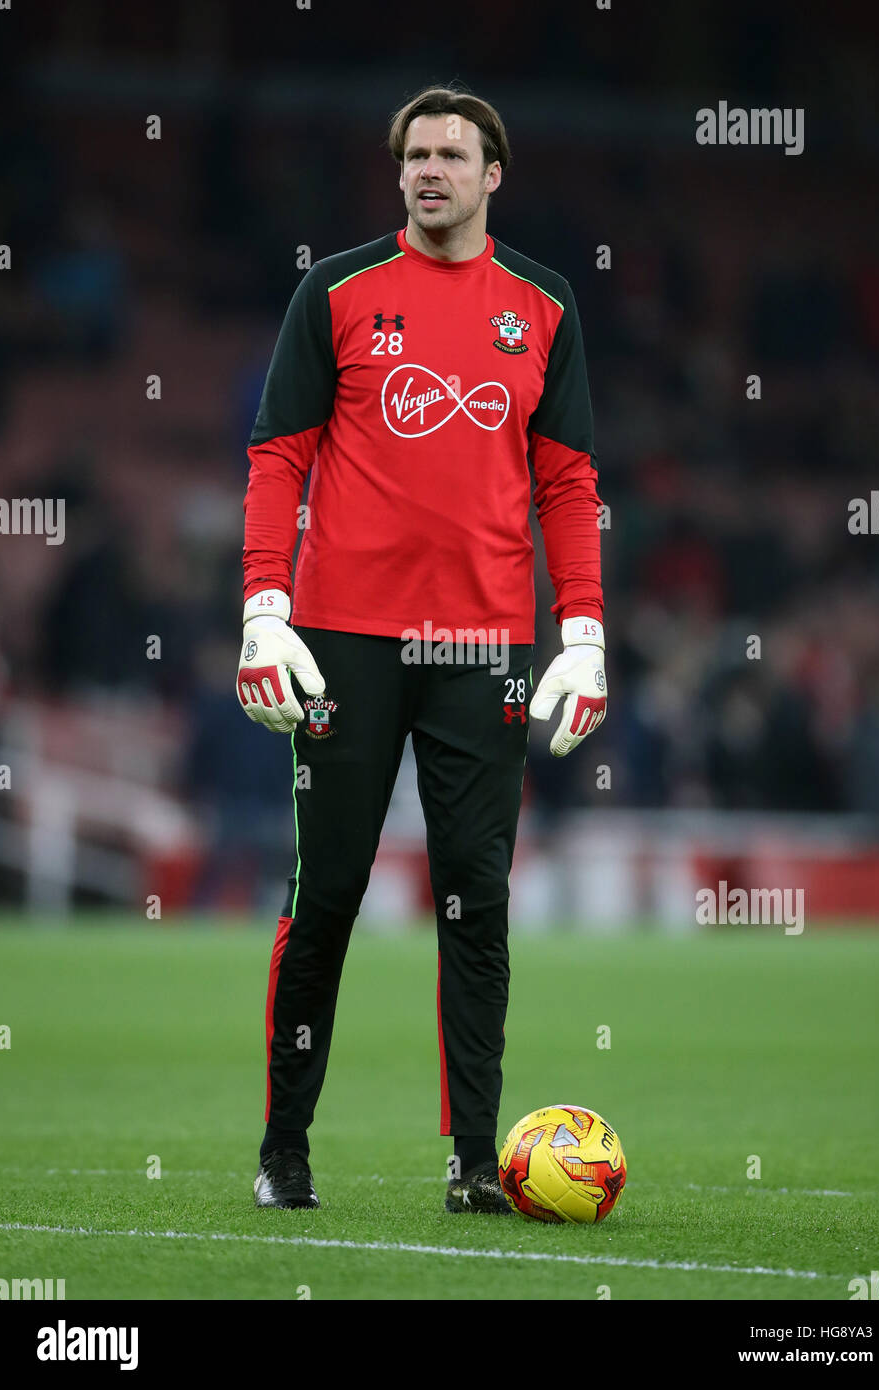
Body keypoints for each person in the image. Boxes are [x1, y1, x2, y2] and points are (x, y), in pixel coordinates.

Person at [236, 85, 607, 1213]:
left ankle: (476, 1161)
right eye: (415, 155)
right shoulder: (337, 290)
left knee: (475, 897)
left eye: (452, 153)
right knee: (331, 889)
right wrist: (263, 609)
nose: (429, 170)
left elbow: (568, 480)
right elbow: (278, 454)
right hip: (343, 636)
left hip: (484, 641)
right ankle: (284, 1149)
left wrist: (581, 630)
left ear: (495, 174)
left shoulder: (542, 305)